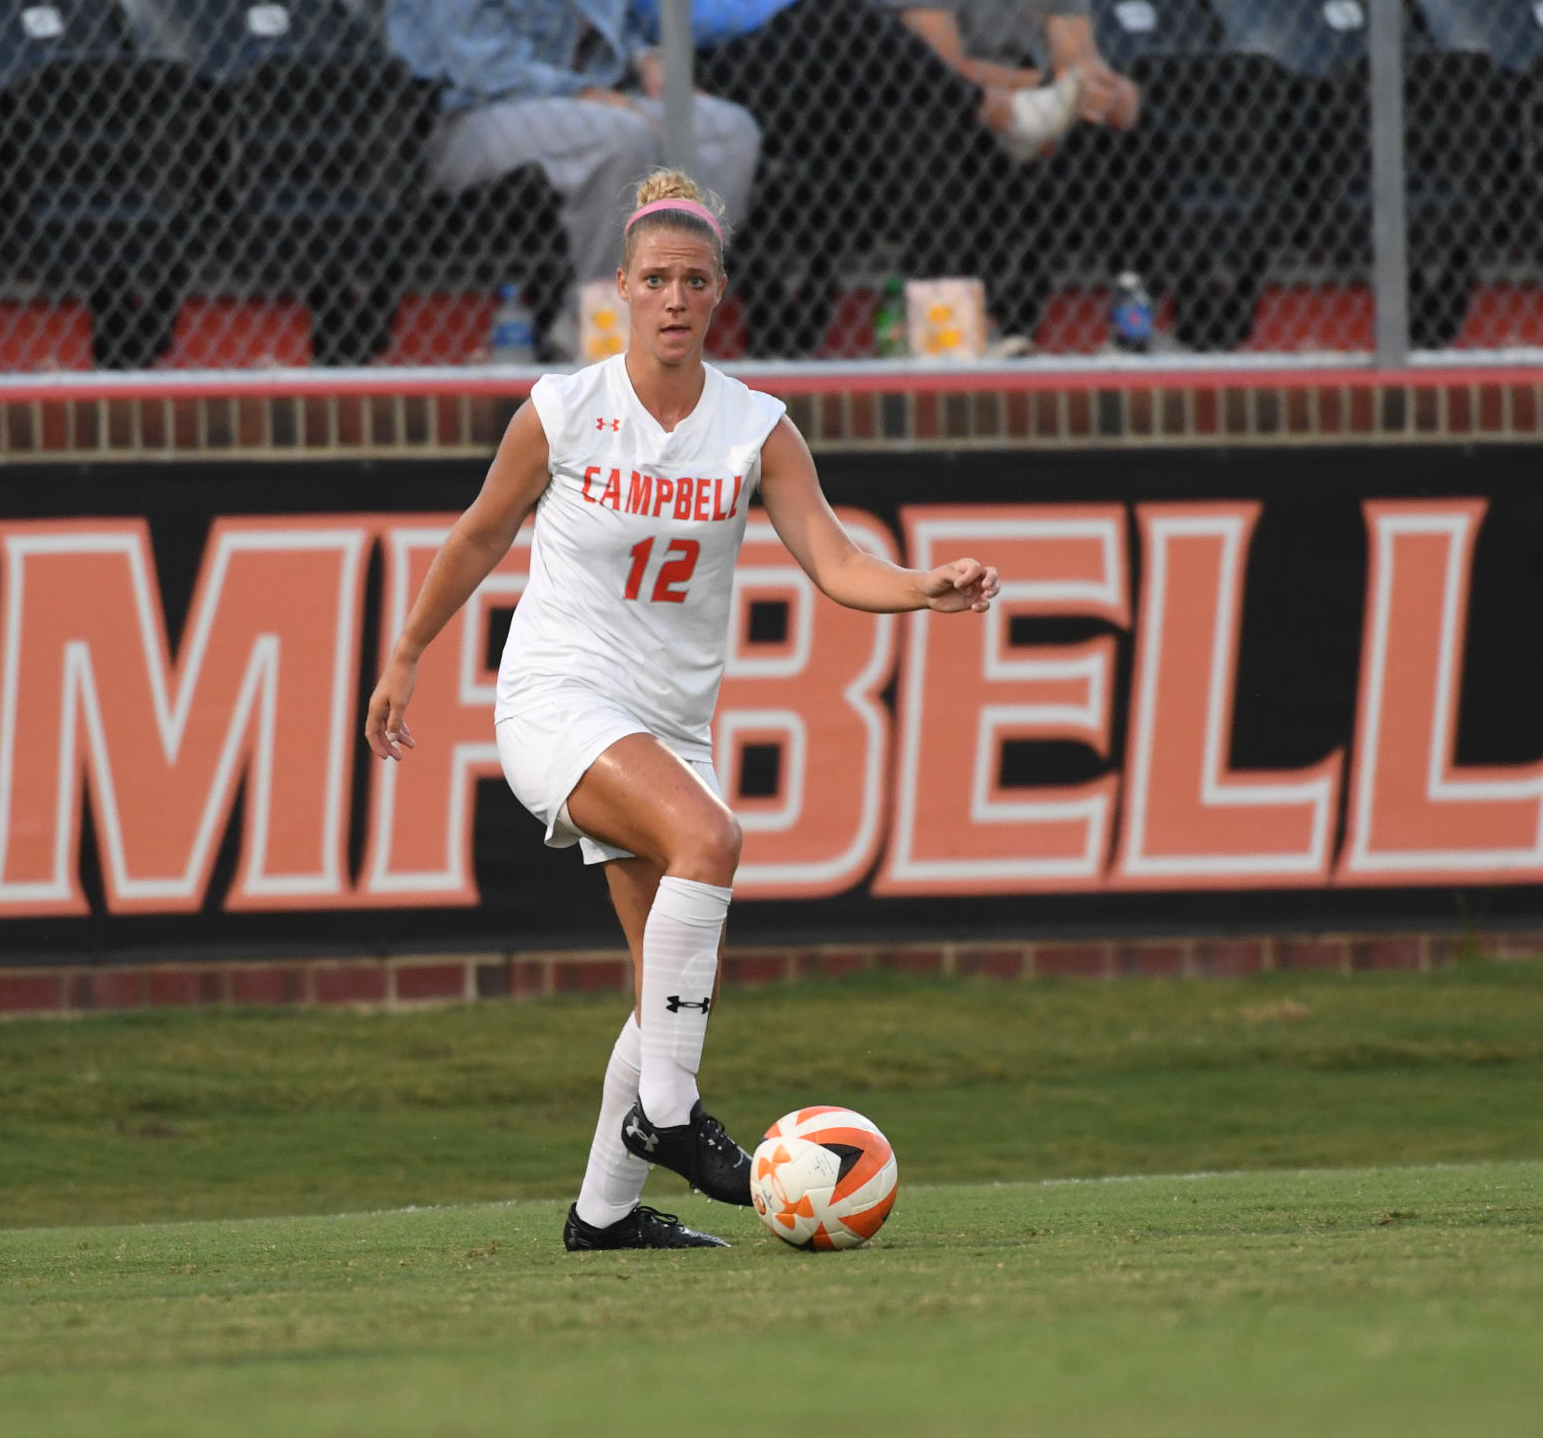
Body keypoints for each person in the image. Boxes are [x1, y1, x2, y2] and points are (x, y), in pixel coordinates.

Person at [364, 169, 998, 1250]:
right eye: (653, 278)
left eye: (692, 280)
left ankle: (604, 1214)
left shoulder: (755, 428)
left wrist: (923, 589)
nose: (672, 297)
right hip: (558, 700)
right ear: (619, 289)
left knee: (658, 988)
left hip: (666, 729)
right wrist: (408, 652)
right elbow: (478, 532)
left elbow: (837, 558)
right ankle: (671, 1120)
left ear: (717, 295)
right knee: (712, 836)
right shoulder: (564, 410)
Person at [630, 0, 1066, 356]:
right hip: (714, 64)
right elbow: (672, 20)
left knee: (914, 121)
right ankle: (999, 111)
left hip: (814, 71)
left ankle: (949, 320)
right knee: (838, 17)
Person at [386, 0, 763, 358]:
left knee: (728, 131)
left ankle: (668, 320)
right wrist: (583, 93)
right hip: (471, 114)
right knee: (619, 136)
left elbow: (611, 28)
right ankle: (606, 330)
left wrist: (644, 58)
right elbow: (479, 66)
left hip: (594, 101)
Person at [890, 0, 1143, 351]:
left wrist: (1106, 89)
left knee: (1115, 128)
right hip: (937, 106)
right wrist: (1042, 88)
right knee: (929, 133)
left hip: (1030, 98)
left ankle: (1124, 314)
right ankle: (950, 331)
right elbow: (940, 67)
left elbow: (1074, 59)